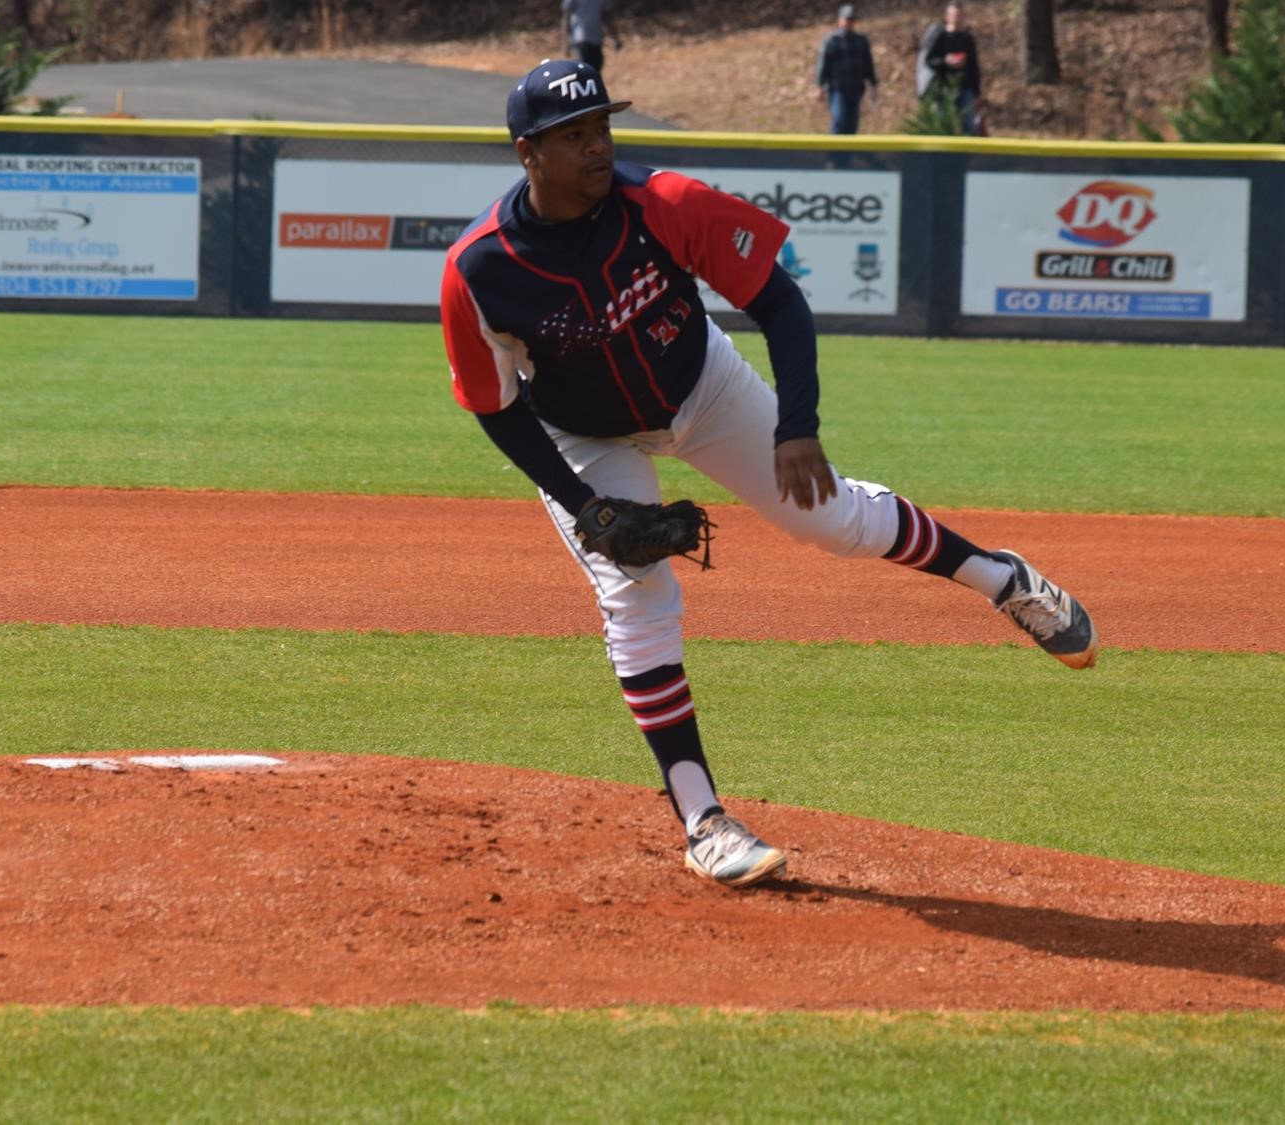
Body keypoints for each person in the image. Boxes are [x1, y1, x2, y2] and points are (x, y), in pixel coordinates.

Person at [438, 60, 1096, 889]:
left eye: (603, 126)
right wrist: (585, 506)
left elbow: (779, 301)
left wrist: (797, 427)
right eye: (574, 135)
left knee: (833, 520)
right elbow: (496, 406)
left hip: (701, 384)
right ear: (528, 153)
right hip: (584, 434)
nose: (598, 145)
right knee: (636, 592)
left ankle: (1001, 579)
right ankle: (704, 820)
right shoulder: (478, 270)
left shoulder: (664, 203)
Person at [919, 1, 984, 135]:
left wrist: (976, 92)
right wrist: (945, 61)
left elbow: (974, 66)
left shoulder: (967, 39)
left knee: (969, 123)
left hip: (964, 87)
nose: (957, 18)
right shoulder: (940, 37)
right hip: (942, 88)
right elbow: (929, 61)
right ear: (947, 17)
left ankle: (967, 147)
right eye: (954, 15)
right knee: (941, 123)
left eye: (959, 15)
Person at [814, 4, 877, 135]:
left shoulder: (861, 40)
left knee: (852, 123)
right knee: (839, 119)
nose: (849, 22)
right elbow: (823, 64)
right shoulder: (832, 40)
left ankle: (848, 149)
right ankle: (834, 148)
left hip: (856, 88)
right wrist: (820, 86)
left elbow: (868, 63)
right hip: (838, 88)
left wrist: (873, 82)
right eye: (846, 19)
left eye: (851, 19)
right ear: (840, 20)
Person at [561, 0, 621, 74]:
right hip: (580, 39)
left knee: (595, 71)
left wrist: (615, 38)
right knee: (583, 70)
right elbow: (566, 18)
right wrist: (565, 42)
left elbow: (607, 18)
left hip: (596, 39)